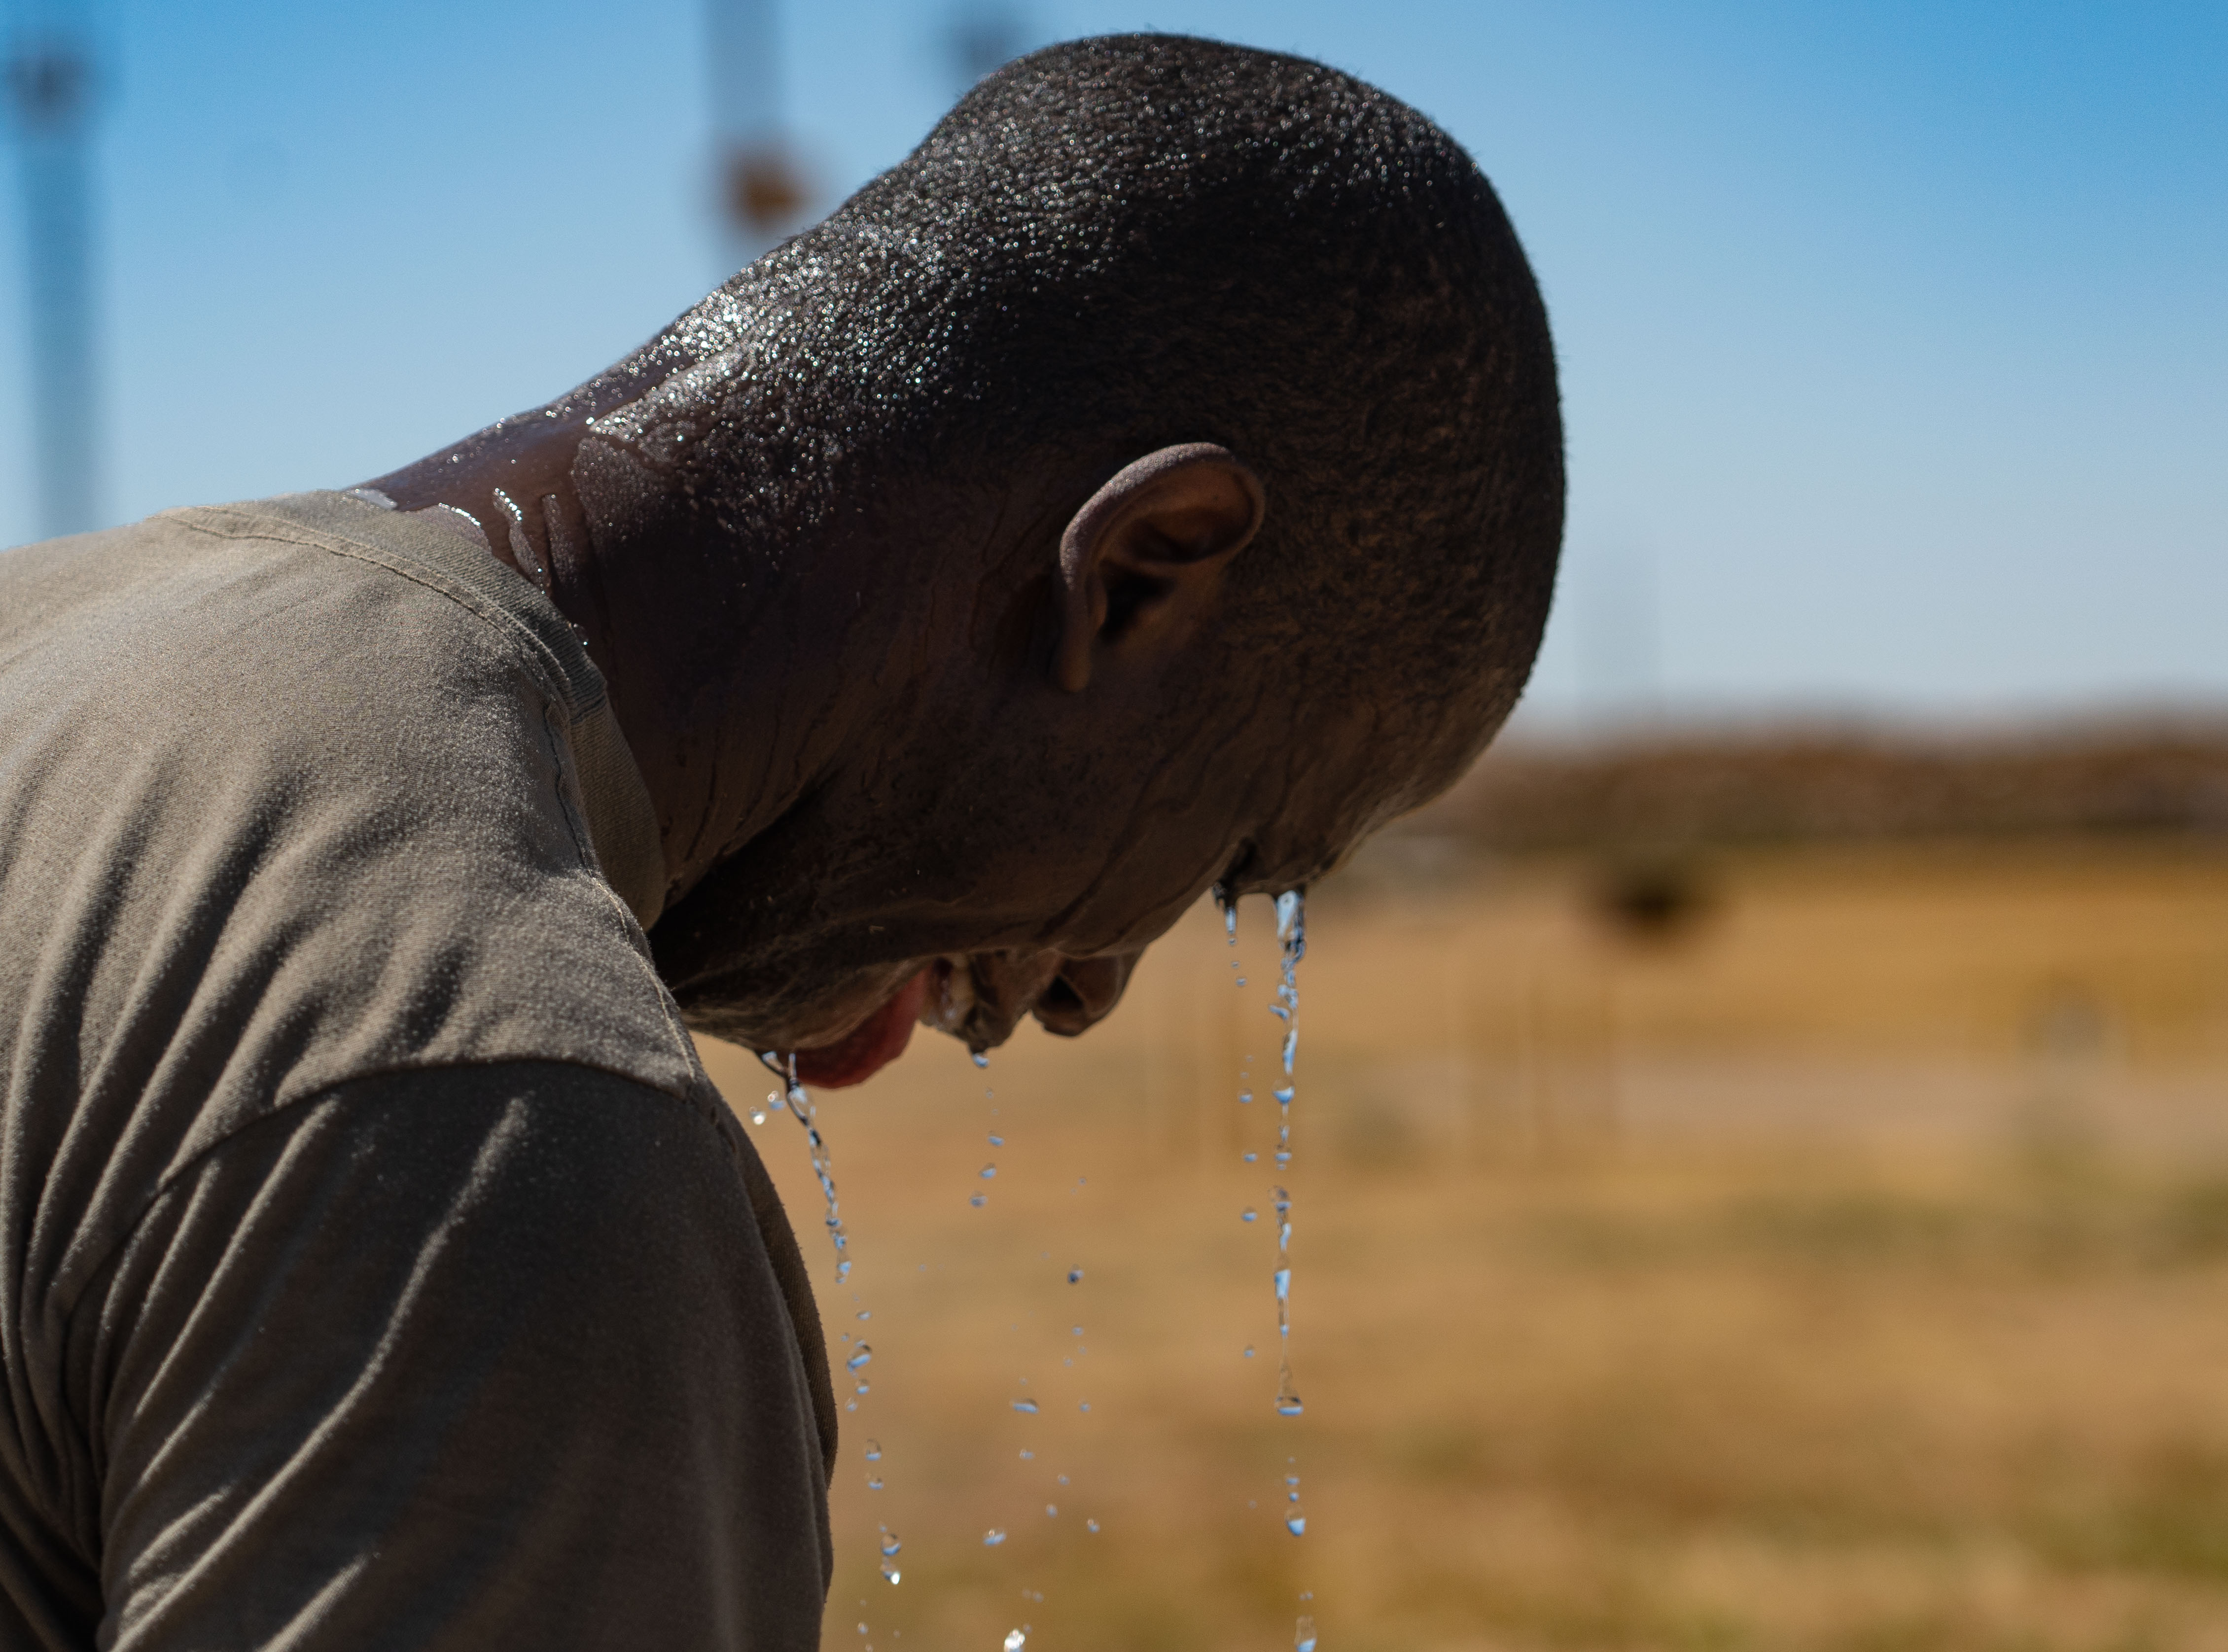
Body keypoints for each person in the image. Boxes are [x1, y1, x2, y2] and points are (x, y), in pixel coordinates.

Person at [0, 32, 1560, 1651]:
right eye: (1238, 863)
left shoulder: (55, 630)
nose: (1092, 991)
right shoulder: (494, 1118)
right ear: (1139, 576)